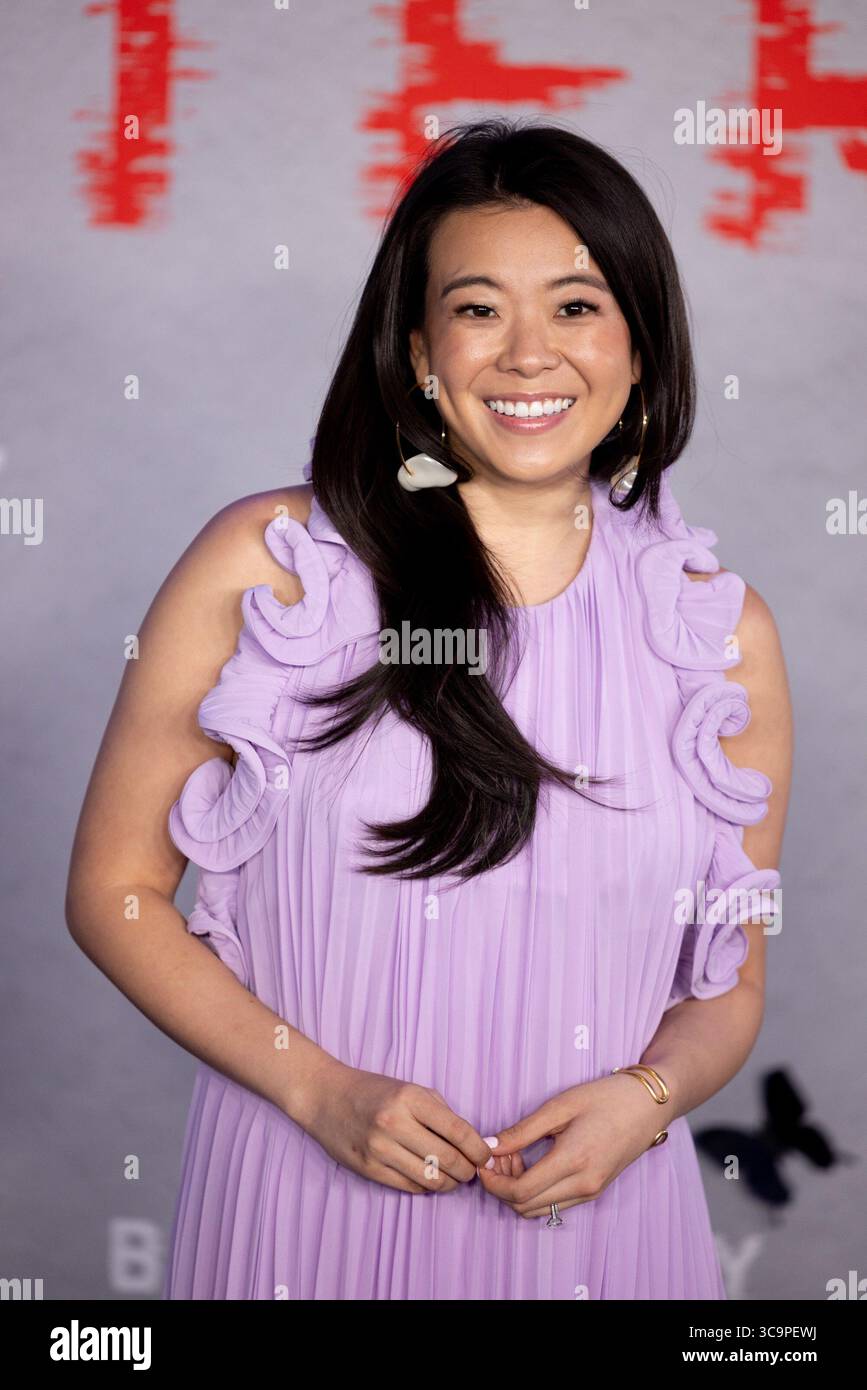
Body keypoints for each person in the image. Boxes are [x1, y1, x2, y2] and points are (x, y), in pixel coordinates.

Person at [66, 119, 792, 1300]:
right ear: (416, 353)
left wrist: (646, 1101)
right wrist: (317, 1087)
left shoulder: (719, 635)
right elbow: (114, 890)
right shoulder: (270, 568)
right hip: (305, 1202)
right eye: (475, 308)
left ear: (643, 349)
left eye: (574, 306)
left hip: (598, 1227)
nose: (525, 354)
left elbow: (729, 980)